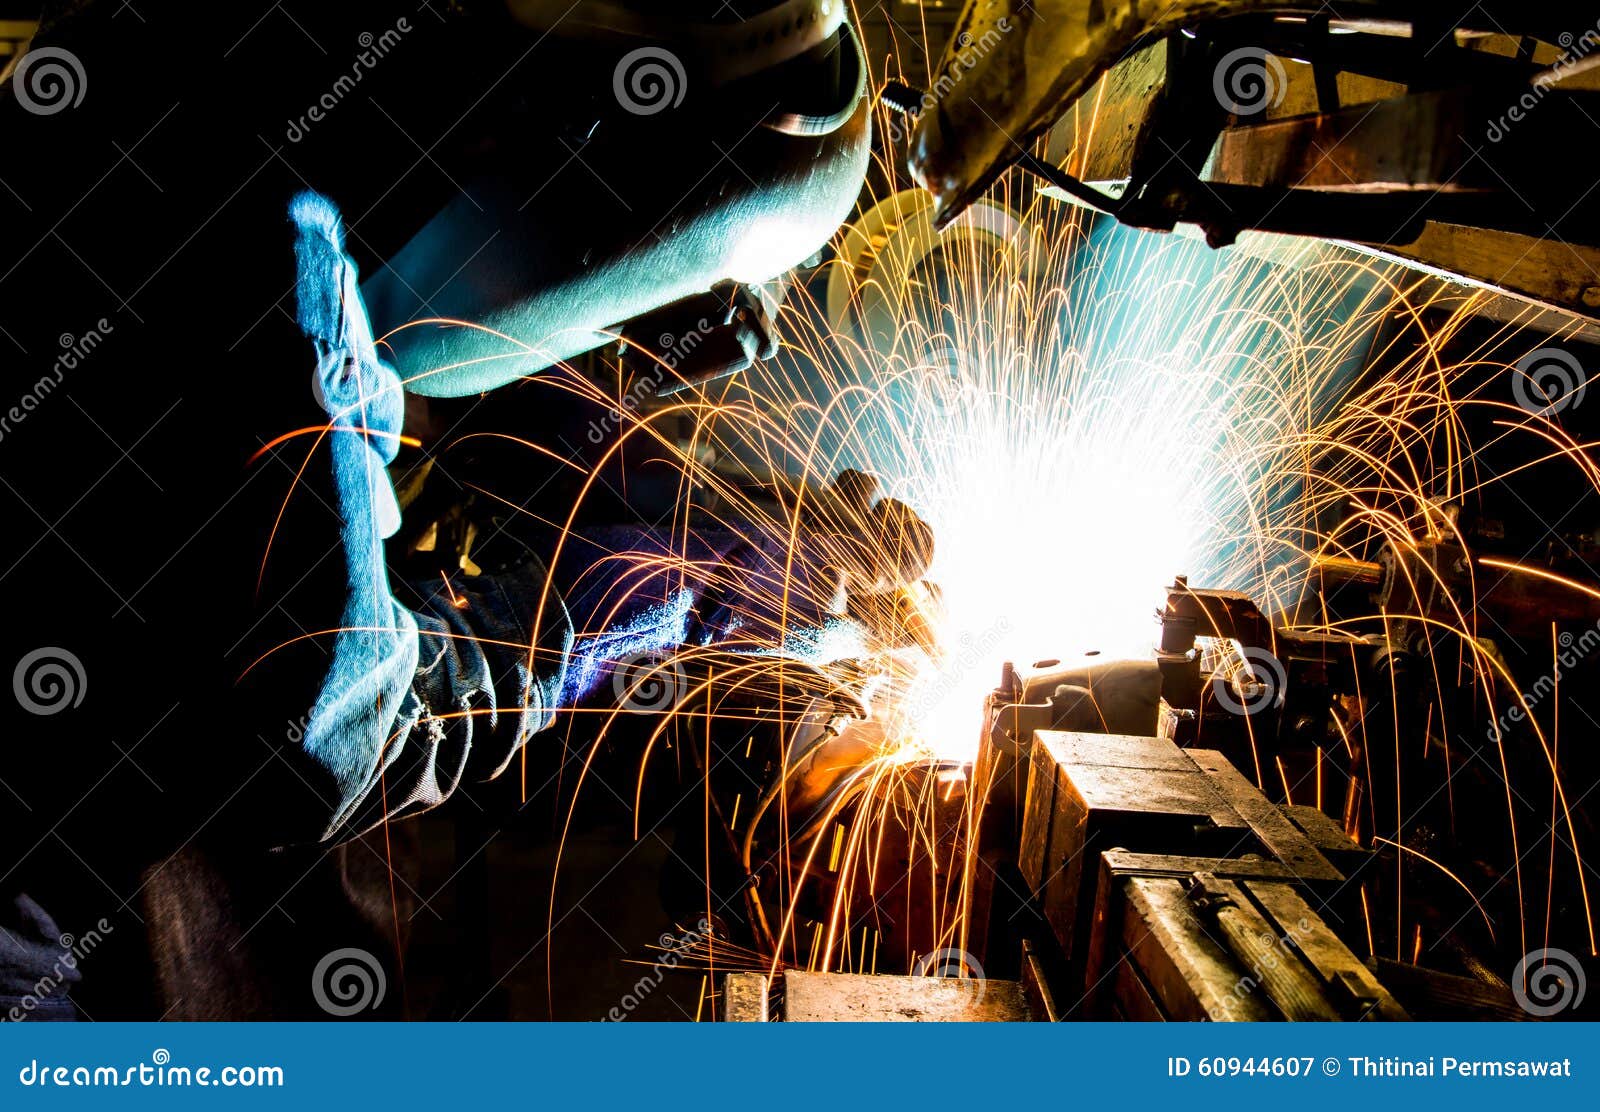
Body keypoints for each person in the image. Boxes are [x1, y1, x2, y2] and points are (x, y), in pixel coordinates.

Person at [0, 2, 911, 1018]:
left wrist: (694, 502)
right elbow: (325, 727)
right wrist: (650, 596)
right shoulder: (262, 229)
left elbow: (450, 384)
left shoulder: (350, 103)